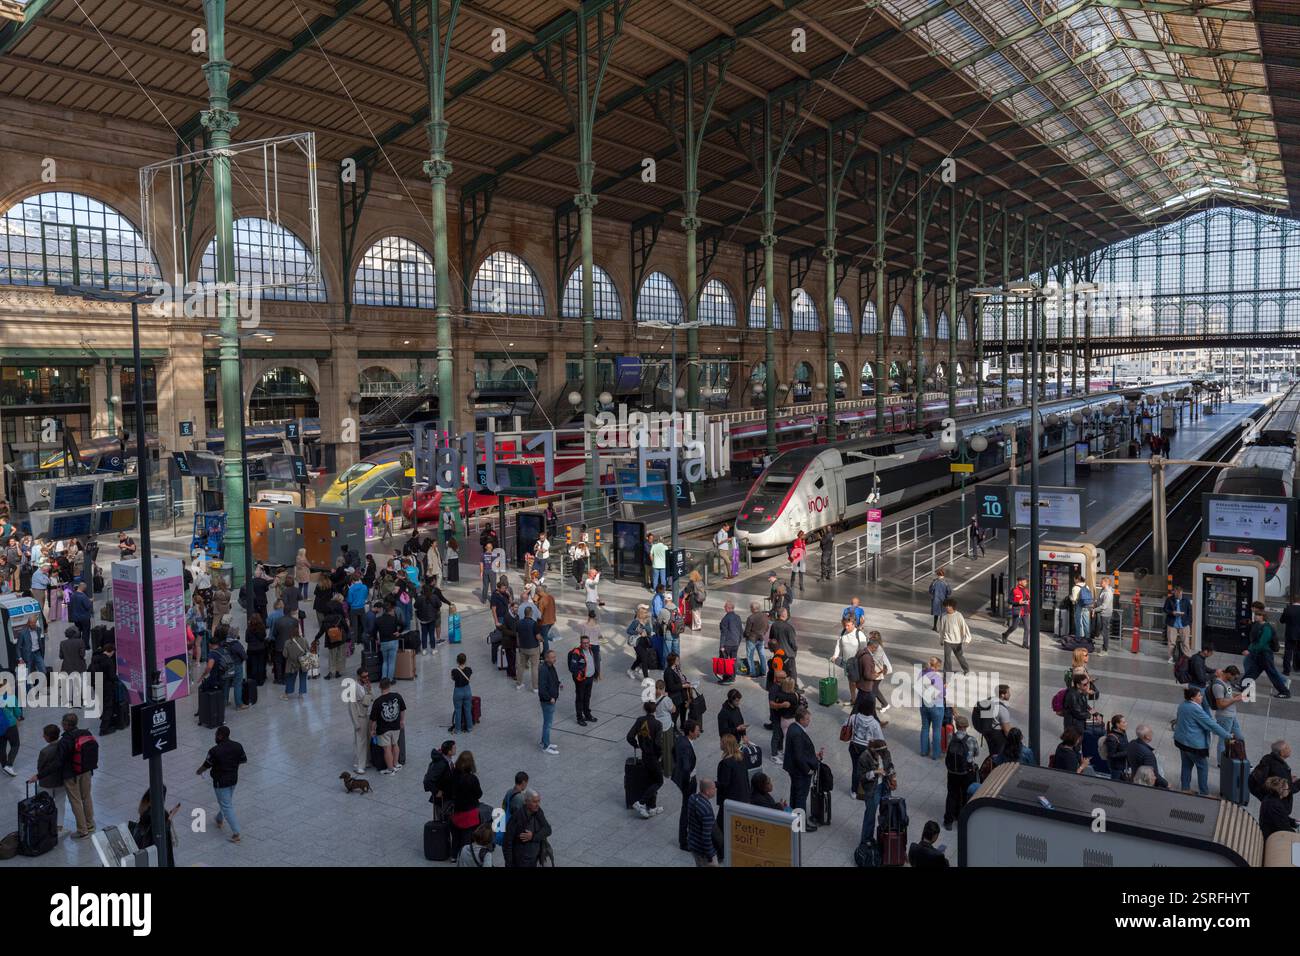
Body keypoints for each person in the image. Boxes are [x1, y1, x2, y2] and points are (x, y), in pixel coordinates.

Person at [1174, 686, 1232, 795]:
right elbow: (1211, 725)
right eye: (1199, 695)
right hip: (1194, 745)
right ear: (1192, 698)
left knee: (1186, 765)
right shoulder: (1195, 709)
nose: (1202, 697)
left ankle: (1185, 788)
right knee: (1203, 768)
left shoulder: (1182, 705)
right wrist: (1228, 736)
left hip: (1181, 741)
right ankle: (1204, 793)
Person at [196, 724, 247, 844]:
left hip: (220, 782)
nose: (214, 737)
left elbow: (206, 765)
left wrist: (199, 771)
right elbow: (243, 760)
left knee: (226, 805)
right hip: (233, 779)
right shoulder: (238, 746)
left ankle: (236, 833)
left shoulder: (214, 751)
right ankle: (219, 819)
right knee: (225, 802)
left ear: (220, 736)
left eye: (215, 735)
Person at [58, 711, 96, 839]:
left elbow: (61, 759)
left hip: (72, 775)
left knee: (76, 801)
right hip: (86, 770)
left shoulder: (65, 740)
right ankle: (90, 825)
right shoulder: (86, 733)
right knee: (86, 797)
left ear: (65, 724)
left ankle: (82, 830)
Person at [783, 707, 822, 829]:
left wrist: (813, 755)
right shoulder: (797, 734)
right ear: (800, 720)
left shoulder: (793, 728)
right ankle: (801, 824)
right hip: (800, 771)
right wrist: (808, 770)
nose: (809, 721)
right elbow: (799, 756)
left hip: (793, 768)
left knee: (795, 793)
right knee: (801, 796)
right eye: (807, 719)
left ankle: (794, 818)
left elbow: (800, 752)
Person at [1243, 601, 1291, 698]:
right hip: (1260, 654)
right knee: (1253, 671)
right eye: (1256, 615)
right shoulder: (1260, 626)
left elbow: (1262, 643)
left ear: (1263, 617)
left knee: (1272, 673)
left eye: (1258, 615)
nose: (1256, 617)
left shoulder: (1267, 628)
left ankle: (1284, 691)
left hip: (1265, 654)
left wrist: (1250, 650)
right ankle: (1243, 686)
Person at [627, 700, 665, 819]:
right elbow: (658, 744)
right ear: (655, 710)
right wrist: (660, 754)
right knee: (659, 781)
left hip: (644, 755)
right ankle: (641, 803)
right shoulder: (658, 724)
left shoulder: (640, 720)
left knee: (651, 781)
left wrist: (636, 745)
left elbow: (629, 736)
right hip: (653, 757)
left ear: (645, 709)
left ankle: (652, 807)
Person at [27, 724, 66, 832]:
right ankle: (59, 825)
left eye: (44, 735)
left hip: (47, 782)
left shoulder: (45, 752)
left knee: (44, 804)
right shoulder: (63, 746)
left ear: (48, 737)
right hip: (61, 781)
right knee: (60, 803)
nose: (43, 736)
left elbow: (41, 768)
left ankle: (45, 825)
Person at [943, 715, 978, 830]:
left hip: (952, 772)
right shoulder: (971, 740)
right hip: (966, 772)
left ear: (957, 726)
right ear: (966, 727)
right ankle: (962, 819)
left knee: (951, 794)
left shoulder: (950, 737)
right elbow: (976, 754)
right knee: (965, 795)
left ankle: (948, 821)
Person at [844, 695, 884, 797]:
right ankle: (867, 790)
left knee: (855, 769)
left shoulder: (854, 717)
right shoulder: (874, 723)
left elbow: (846, 725)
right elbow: (880, 739)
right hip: (867, 750)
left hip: (854, 746)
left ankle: (854, 791)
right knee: (869, 770)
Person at [502, 789, 552, 868]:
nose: (537, 804)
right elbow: (507, 843)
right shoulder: (517, 818)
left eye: (539, 801)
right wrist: (509, 864)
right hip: (520, 861)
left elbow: (548, 829)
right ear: (526, 802)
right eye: (534, 802)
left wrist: (533, 836)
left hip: (534, 859)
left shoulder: (538, 812)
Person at [672, 720, 701, 850]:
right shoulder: (685, 746)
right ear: (690, 732)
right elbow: (685, 766)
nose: (698, 732)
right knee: (687, 809)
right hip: (688, 781)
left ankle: (687, 836)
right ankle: (684, 840)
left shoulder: (681, 740)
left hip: (685, 779)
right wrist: (688, 776)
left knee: (688, 807)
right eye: (697, 730)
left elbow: (673, 752)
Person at [447, 752, 484, 855]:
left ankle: (454, 854)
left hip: (456, 811)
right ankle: (464, 856)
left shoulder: (454, 774)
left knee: (456, 835)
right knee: (467, 838)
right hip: (469, 813)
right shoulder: (472, 779)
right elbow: (479, 794)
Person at [368, 678, 406, 775]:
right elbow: (402, 709)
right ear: (390, 685)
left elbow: (373, 719)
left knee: (387, 748)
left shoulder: (378, 702)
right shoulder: (397, 696)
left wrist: (372, 730)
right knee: (395, 744)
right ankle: (396, 763)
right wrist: (402, 720)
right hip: (396, 726)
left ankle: (390, 769)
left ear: (380, 686)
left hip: (383, 729)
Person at [1208, 665, 1245, 763]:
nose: (1235, 679)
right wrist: (1235, 699)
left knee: (1240, 737)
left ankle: (1240, 758)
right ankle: (1221, 762)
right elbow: (1220, 704)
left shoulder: (1227, 683)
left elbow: (1229, 695)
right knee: (1224, 739)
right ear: (1228, 674)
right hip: (1224, 716)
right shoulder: (1218, 686)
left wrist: (1238, 696)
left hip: (1232, 715)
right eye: (1234, 677)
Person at [566, 628, 600, 727]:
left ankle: (587, 715)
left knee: (587, 697)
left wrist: (596, 674)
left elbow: (594, 662)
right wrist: (578, 677)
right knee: (580, 698)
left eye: (587, 642)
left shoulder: (590, 650)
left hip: (590, 678)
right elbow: (573, 667)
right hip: (581, 680)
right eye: (584, 643)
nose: (586, 644)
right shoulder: (577, 653)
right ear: (581, 643)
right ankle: (579, 718)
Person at [347, 666, 375, 775]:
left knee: (367, 740)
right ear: (359, 676)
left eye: (368, 676)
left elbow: (373, 698)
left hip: (368, 716)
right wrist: (355, 722)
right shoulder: (354, 688)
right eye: (364, 677)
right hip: (360, 717)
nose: (366, 678)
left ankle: (366, 761)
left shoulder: (367, 685)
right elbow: (352, 706)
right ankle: (359, 765)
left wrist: (370, 689)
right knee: (360, 742)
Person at [686, 778, 719, 866]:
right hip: (702, 850)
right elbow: (706, 836)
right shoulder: (706, 810)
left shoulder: (692, 798)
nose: (716, 789)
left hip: (693, 843)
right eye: (714, 788)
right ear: (707, 791)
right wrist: (710, 855)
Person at [716, 733, 751, 814]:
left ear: (726, 745)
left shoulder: (725, 763)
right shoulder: (741, 758)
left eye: (721, 742)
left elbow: (724, 784)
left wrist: (712, 783)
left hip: (731, 801)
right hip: (743, 798)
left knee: (722, 824)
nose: (720, 743)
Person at [918, 658, 945, 761]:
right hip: (936, 706)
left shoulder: (921, 673)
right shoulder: (937, 677)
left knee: (925, 727)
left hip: (924, 705)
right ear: (936, 666)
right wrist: (944, 688)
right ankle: (936, 754)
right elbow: (943, 694)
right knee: (936, 729)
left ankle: (924, 751)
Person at [937, 598, 971, 675]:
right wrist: (941, 640)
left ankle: (966, 669)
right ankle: (947, 673)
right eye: (946, 606)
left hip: (957, 641)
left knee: (960, 657)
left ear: (953, 606)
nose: (947, 607)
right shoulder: (944, 616)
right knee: (947, 658)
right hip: (947, 641)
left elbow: (964, 627)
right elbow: (942, 629)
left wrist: (967, 639)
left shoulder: (958, 615)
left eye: (949, 606)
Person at [769, 674, 798, 762]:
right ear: (778, 679)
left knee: (781, 735)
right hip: (776, 716)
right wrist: (782, 705)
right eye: (784, 677)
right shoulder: (774, 689)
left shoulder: (782, 688)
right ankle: (774, 754)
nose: (785, 678)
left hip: (781, 716)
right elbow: (771, 704)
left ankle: (779, 750)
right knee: (776, 735)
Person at [538, 648, 561, 755]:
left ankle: (544, 741)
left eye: (554, 657)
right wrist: (549, 698)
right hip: (548, 701)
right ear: (546, 659)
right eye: (552, 657)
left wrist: (559, 683)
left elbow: (553, 679)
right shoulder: (544, 670)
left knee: (546, 722)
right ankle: (546, 746)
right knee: (548, 724)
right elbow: (542, 688)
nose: (554, 659)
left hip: (551, 698)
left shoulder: (551, 667)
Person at [1163, 585, 1192, 662]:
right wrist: (1172, 612)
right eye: (1176, 594)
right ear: (1174, 592)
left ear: (1182, 592)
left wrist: (1189, 622)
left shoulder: (1186, 600)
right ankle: (1171, 657)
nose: (1178, 595)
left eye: (1179, 594)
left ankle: (1187, 657)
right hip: (1172, 623)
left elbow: (1190, 612)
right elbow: (1165, 609)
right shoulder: (1169, 599)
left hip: (1184, 623)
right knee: (1171, 642)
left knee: (1185, 642)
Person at [516, 606, 542, 692]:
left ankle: (519, 684)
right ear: (531, 613)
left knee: (521, 666)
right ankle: (535, 687)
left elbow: (517, 635)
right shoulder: (534, 623)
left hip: (523, 648)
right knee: (534, 667)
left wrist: (519, 645)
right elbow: (538, 637)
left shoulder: (519, 623)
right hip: (533, 648)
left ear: (524, 613)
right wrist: (543, 639)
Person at [742, 600, 769, 679]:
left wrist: (745, 636)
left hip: (752, 639)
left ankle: (752, 672)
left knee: (750, 655)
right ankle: (764, 671)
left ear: (753, 609)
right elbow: (767, 627)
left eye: (750, 608)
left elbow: (747, 631)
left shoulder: (751, 618)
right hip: (761, 638)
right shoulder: (765, 616)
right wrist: (763, 633)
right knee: (762, 655)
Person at [1002, 575, 1030, 647]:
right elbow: (1009, 601)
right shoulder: (1014, 590)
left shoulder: (1027, 590)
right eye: (1025, 581)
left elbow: (1028, 599)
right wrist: (1018, 603)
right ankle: (1005, 635)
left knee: (1027, 628)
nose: (1026, 582)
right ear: (1020, 582)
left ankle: (1025, 644)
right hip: (1018, 611)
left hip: (1025, 611)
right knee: (1014, 626)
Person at [1100, 715, 1130, 780]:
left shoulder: (1123, 732)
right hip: (1116, 767)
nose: (1126, 724)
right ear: (1117, 724)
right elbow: (1111, 755)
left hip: (1123, 764)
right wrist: (1126, 753)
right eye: (1123, 722)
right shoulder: (1112, 738)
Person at [717, 601, 742, 682]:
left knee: (726, 661)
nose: (724, 608)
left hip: (727, 643)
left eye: (725, 607)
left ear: (728, 608)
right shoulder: (738, 617)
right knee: (733, 660)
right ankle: (733, 677)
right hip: (735, 643)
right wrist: (738, 642)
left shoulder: (725, 619)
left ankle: (727, 677)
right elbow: (741, 631)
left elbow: (723, 633)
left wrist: (721, 646)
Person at [449, 653, 474, 734]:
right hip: (467, 690)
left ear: (457, 661)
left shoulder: (454, 671)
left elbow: (453, 678)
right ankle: (469, 728)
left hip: (458, 691)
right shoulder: (469, 669)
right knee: (468, 710)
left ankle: (458, 730)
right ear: (465, 660)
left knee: (458, 710)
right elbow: (469, 677)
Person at [1068, 574, 1092, 642]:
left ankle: (1078, 637)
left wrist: (1070, 597)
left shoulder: (1075, 588)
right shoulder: (1086, 586)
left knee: (1078, 622)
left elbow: (1074, 599)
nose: (1074, 580)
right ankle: (1087, 637)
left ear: (1077, 579)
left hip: (1079, 606)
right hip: (1086, 605)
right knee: (1086, 622)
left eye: (1074, 579)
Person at [1096, 577, 1115, 650]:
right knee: (1102, 630)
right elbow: (1100, 600)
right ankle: (1103, 646)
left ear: (1107, 583)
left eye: (1102, 582)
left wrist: (1095, 610)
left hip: (1106, 615)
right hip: (1102, 613)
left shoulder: (1108, 593)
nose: (1100, 583)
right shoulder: (1103, 590)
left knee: (1105, 632)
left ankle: (1105, 649)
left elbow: (1104, 606)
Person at [1283, 595, 1300, 676]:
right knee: (1299, 651)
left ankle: (1286, 671)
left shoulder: (1288, 609)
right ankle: (1297, 668)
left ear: (1293, 600)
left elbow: (1282, 620)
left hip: (1290, 633)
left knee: (1288, 652)